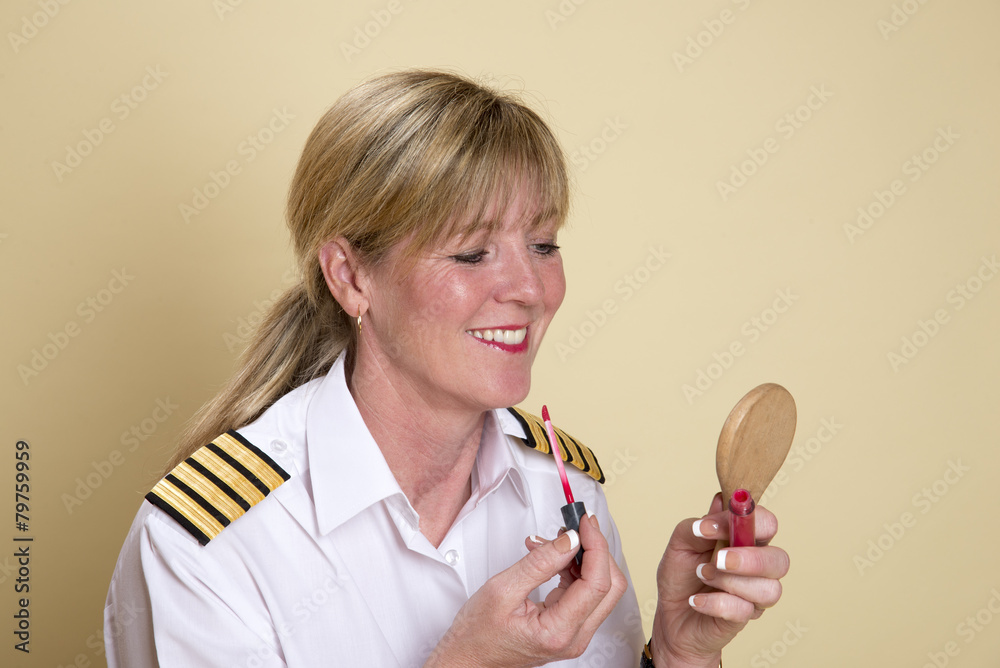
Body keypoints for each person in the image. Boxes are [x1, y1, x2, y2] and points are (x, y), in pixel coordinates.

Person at [104, 69, 789, 667]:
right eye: (471, 254)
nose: (529, 288)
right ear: (350, 277)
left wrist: (679, 653)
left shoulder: (566, 489)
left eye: (544, 243)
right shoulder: (208, 543)